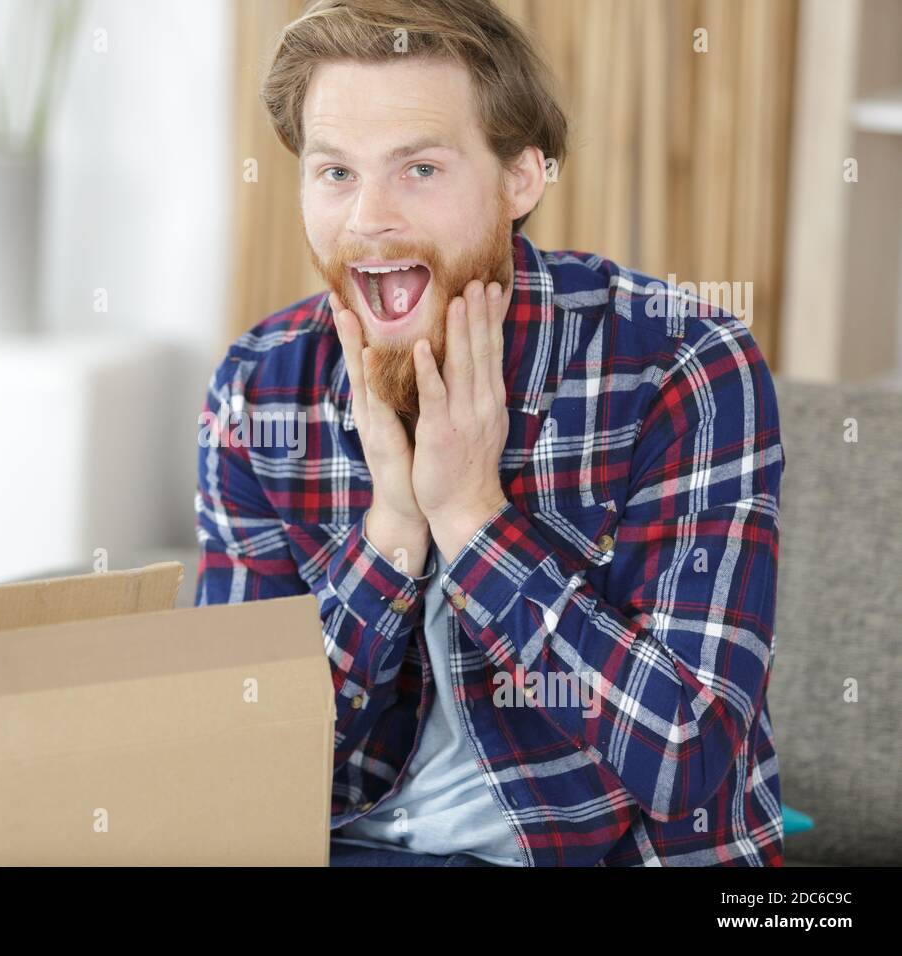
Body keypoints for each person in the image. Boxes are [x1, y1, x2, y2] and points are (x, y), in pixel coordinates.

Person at [195, 0, 784, 867]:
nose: (368, 220)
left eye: (420, 169)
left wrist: (473, 521)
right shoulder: (258, 390)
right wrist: (392, 532)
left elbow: (686, 757)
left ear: (522, 179)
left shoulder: (682, 364)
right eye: (335, 173)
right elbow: (230, 765)